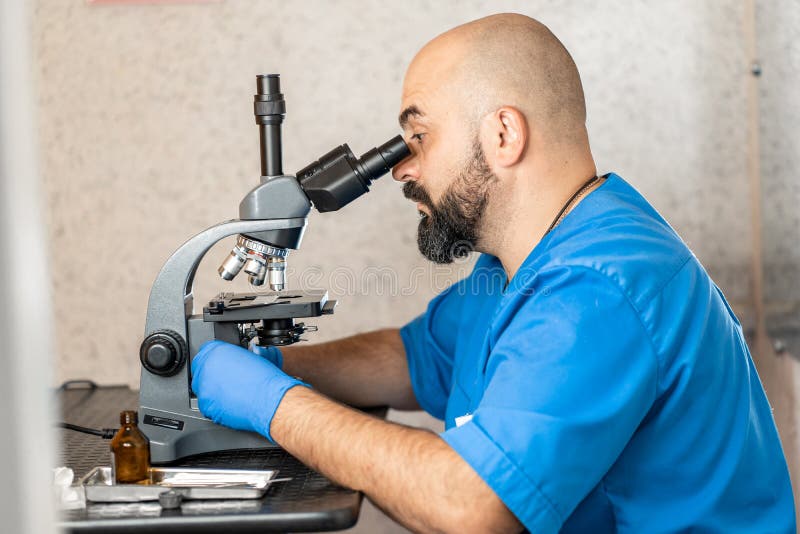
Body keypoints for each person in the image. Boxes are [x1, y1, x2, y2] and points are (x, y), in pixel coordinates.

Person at [191, 13, 795, 533]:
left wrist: (274, 404)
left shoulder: (598, 286)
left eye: (418, 138)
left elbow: (475, 508)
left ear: (503, 134)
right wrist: (264, 367)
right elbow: (415, 360)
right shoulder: (519, 262)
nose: (402, 170)